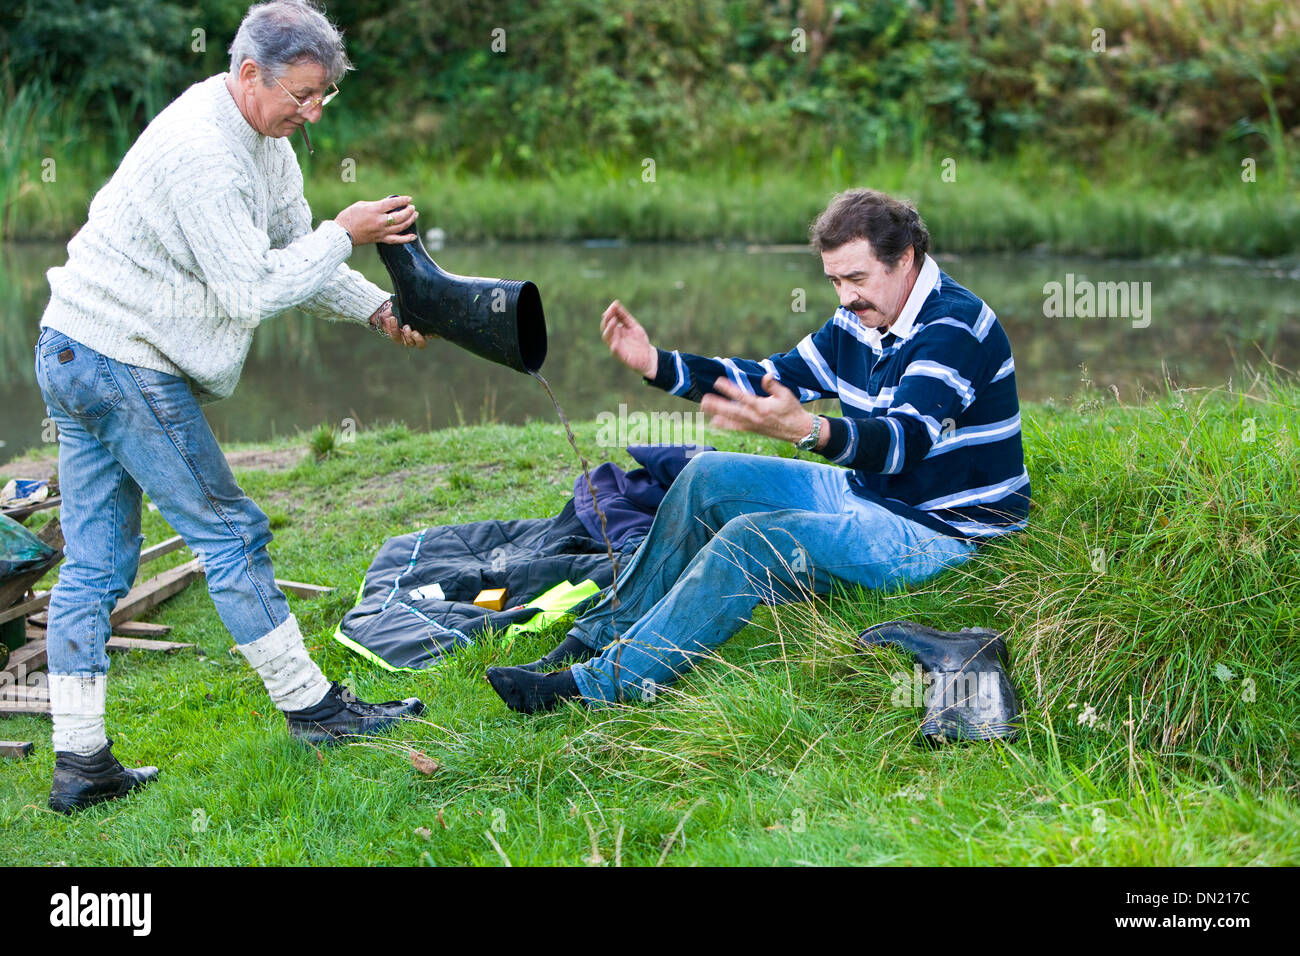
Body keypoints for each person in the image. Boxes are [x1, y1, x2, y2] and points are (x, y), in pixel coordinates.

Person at [34, 0, 429, 814]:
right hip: (115, 359)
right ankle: (317, 713)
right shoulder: (201, 154)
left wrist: (374, 309)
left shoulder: (267, 140)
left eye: (326, 97)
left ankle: (81, 765)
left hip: (72, 347)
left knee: (98, 563)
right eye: (304, 95)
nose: (314, 112)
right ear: (250, 72)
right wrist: (346, 231)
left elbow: (291, 257)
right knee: (232, 531)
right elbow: (251, 293)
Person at [486, 187, 1030, 713]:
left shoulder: (954, 326)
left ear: (906, 258)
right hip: (869, 493)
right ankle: (594, 636)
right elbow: (771, 377)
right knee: (705, 475)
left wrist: (809, 430)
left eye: (856, 278)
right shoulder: (861, 316)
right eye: (834, 280)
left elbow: (901, 444)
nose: (845, 296)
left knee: (753, 543)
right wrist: (658, 364)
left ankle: (595, 688)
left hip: (939, 529)